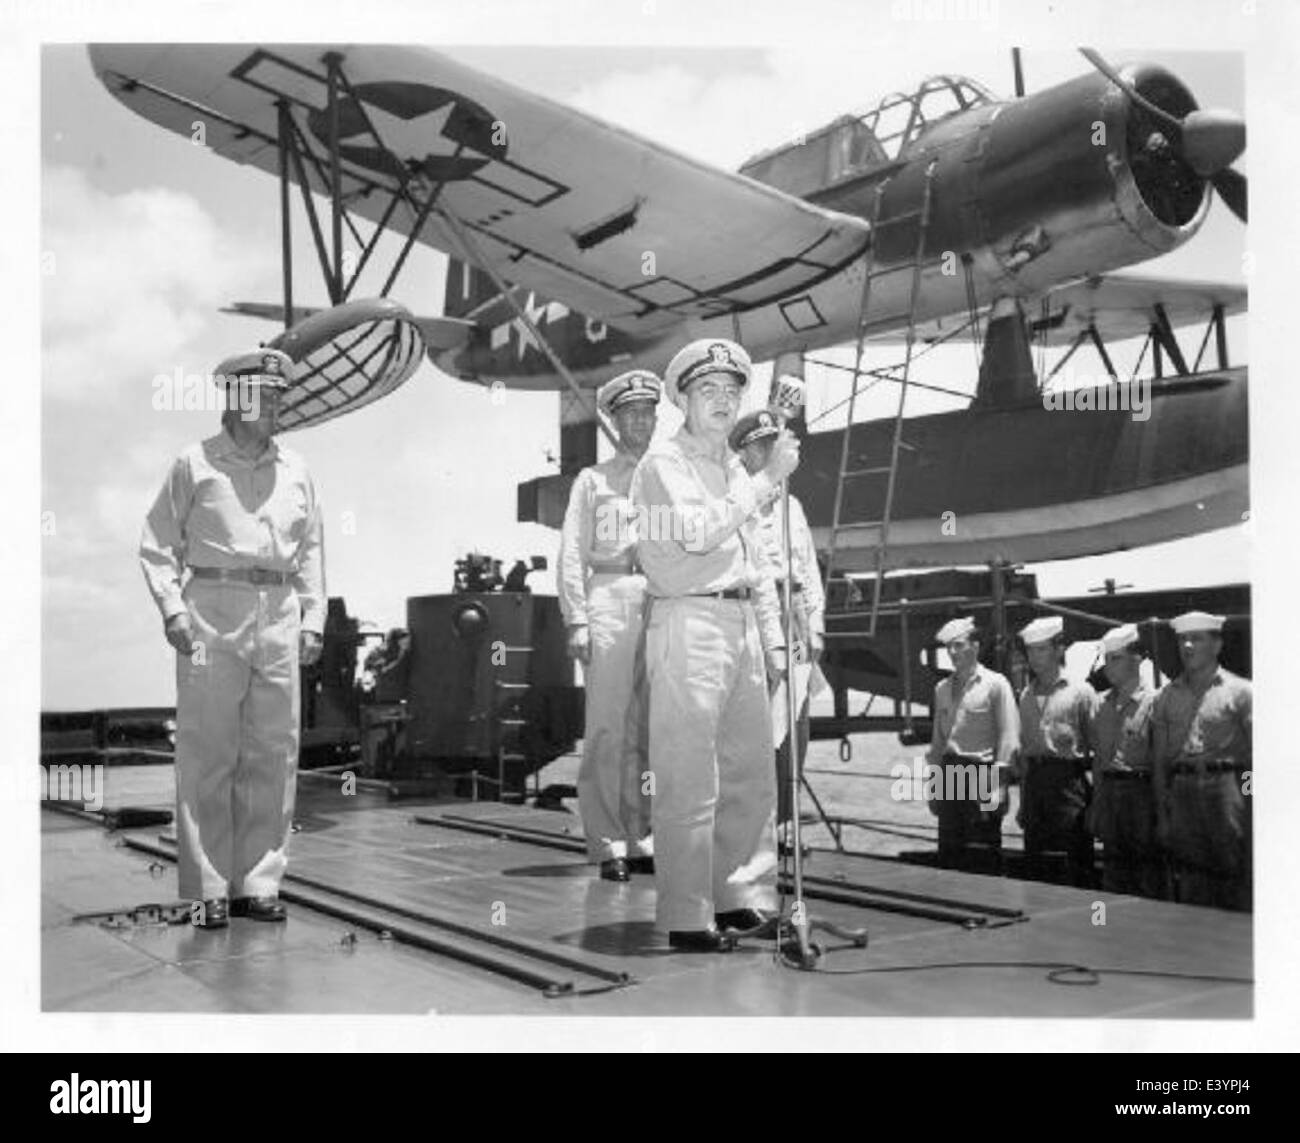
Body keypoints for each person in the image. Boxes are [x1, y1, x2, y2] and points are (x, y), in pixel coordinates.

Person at [139, 348, 324, 928]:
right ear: (236, 399)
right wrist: (173, 612)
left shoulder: (296, 469)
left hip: (279, 612)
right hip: (211, 611)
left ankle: (259, 884)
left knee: (274, 752)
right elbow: (155, 543)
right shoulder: (193, 464)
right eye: (264, 396)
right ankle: (207, 889)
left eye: (278, 397)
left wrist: (313, 619)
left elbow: (313, 549)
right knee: (208, 753)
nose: (274, 406)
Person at [630, 339, 798, 952]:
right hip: (689, 623)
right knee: (688, 774)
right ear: (682, 400)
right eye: (709, 391)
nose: (724, 401)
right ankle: (685, 915)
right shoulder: (663, 465)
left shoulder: (730, 468)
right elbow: (699, 534)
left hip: (741, 622)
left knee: (749, 771)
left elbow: (757, 564)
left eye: (732, 391)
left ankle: (740, 900)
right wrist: (764, 482)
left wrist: (774, 644)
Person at [557, 369, 662, 882]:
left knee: (651, 729)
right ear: (615, 422)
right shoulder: (594, 482)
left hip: (663, 602)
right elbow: (572, 553)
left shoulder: (670, 478)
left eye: (647, 413)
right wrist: (576, 619)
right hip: (612, 596)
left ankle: (643, 837)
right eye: (630, 414)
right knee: (607, 725)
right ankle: (606, 842)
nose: (640, 422)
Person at [728, 409, 825, 854]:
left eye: (773, 443)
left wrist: (815, 626)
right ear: (744, 453)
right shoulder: (736, 501)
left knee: (796, 723)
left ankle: (786, 821)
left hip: (794, 614)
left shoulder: (793, 506)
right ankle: (755, 823)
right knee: (757, 724)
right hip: (753, 616)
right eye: (760, 446)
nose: (769, 452)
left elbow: (806, 567)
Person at [1151, 611, 1252, 910]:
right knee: (1192, 876)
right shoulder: (1166, 697)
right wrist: (1163, 812)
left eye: (1197, 639)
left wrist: (1248, 802)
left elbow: (1255, 762)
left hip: (1226, 787)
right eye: (1183, 639)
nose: (1188, 646)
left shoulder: (1242, 692)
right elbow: (1159, 763)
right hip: (1182, 788)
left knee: (1233, 870)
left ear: (1217, 645)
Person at [924, 618, 1019, 871]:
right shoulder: (941, 689)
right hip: (949, 774)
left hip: (982, 773)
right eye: (949, 647)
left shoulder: (996, 684)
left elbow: (1008, 736)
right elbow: (937, 742)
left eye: (958, 645)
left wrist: (999, 784)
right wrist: (934, 786)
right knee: (949, 851)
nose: (952, 653)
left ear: (975, 646)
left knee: (983, 852)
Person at [1016, 615, 1099, 886]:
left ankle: (1090, 922)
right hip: (1035, 786)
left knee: (1073, 860)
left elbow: (1099, 751)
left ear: (1059, 650)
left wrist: (1097, 803)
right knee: (1036, 864)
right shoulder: (1025, 697)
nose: (1035, 657)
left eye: (1042, 649)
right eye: (1030, 650)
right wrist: (1023, 803)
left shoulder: (1081, 692)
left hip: (1068, 783)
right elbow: (1025, 755)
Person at [1087, 624, 1163, 897]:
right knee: (1114, 877)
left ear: (1137, 658)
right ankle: (1109, 931)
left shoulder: (1156, 702)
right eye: (1106, 659)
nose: (1109, 666)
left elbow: (1162, 764)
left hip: (1142, 795)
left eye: (1116, 658)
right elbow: (1097, 761)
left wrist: (1163, 812)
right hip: (1109, 794)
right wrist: (1097, 804)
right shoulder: (1100, 705)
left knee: (1147, 876)